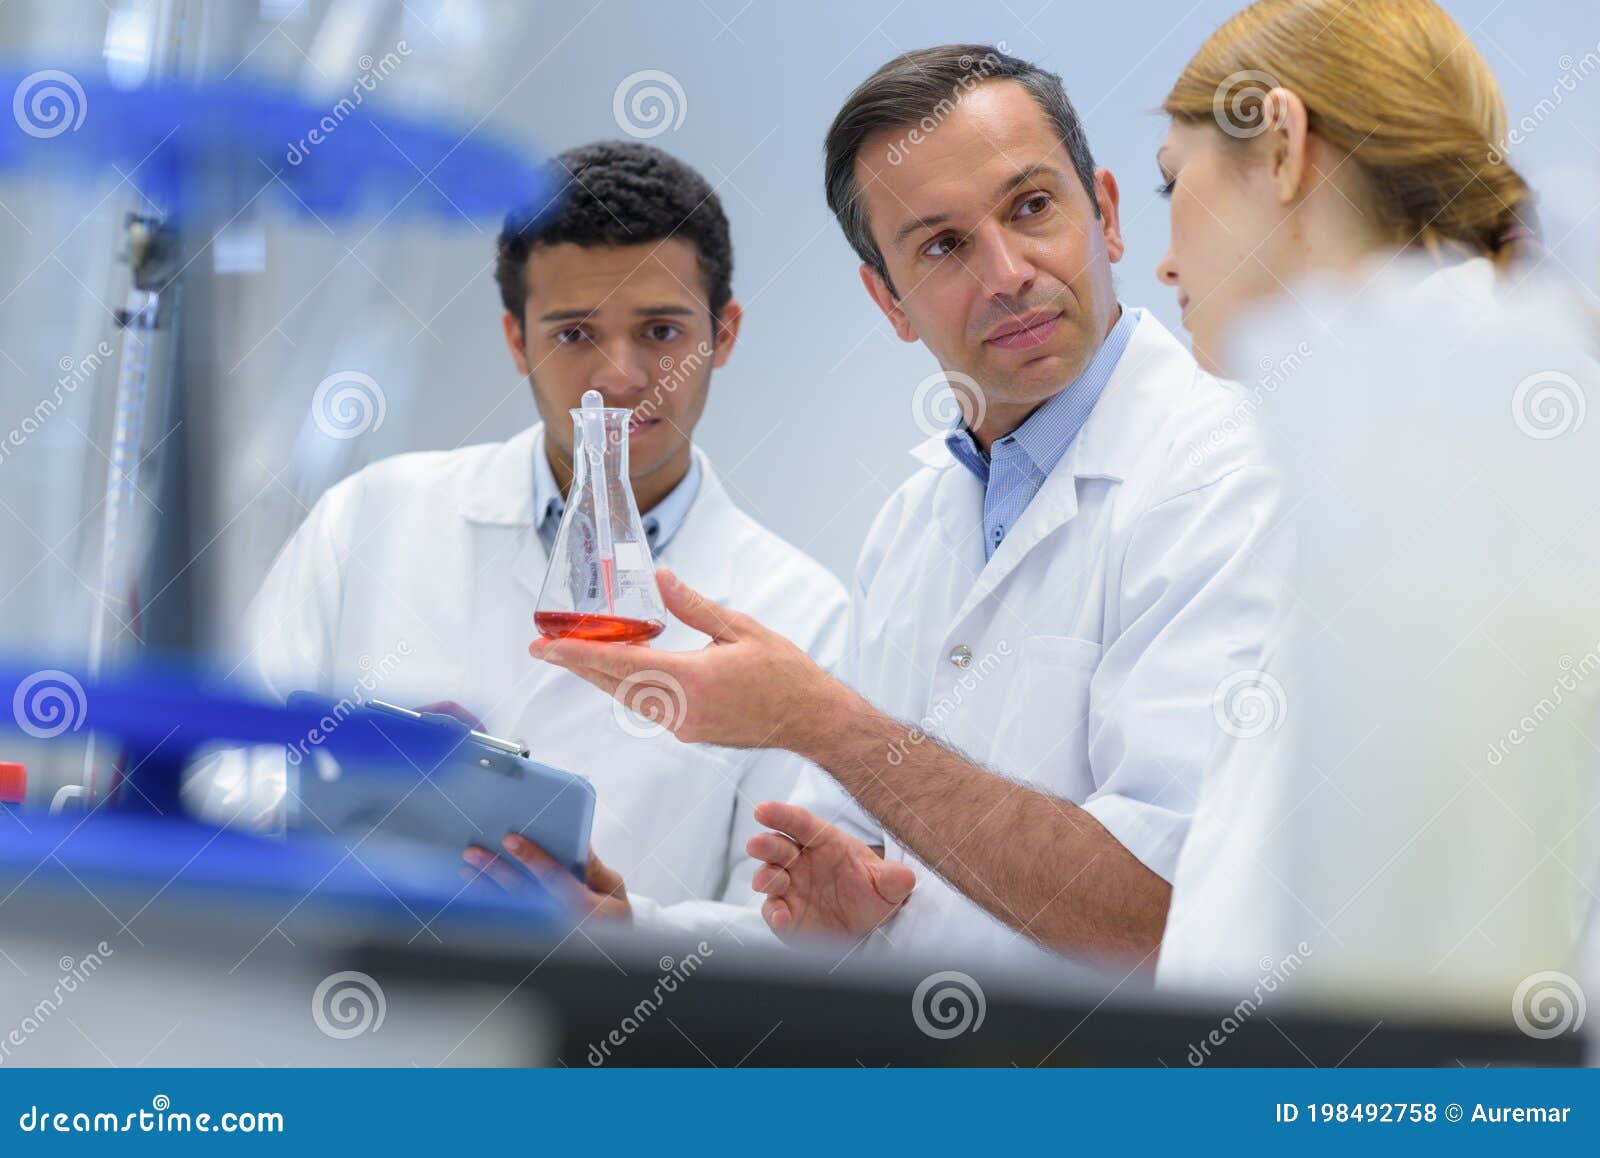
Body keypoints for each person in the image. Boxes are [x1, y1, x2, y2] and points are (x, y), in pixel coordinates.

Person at [528, 46, 1292, 968]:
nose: (1009, 272)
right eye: (943, 246)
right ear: (888, 300)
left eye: (1033, 208)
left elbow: (1164, 912)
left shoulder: (1231, 475)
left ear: (1110, 216)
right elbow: (864, 910)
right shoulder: (915, 524)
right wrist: (640, 935)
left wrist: (819, 720)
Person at [221, 141, 848, 934]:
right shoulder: (368, 520)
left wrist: (632, 932)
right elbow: (226, 770)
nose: (620, 376)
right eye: (574, 334)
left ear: (722, 335)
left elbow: (796, 927)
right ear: (517, 342)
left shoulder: (803, 615)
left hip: (606, 1044)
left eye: (660, 331)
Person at [1146, 0, 1600, 995]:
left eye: (1171, 183)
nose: (1163, 258)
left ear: (1278, 144)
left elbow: (1409, 988)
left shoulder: (1459, 445)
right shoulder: (1389, 431)